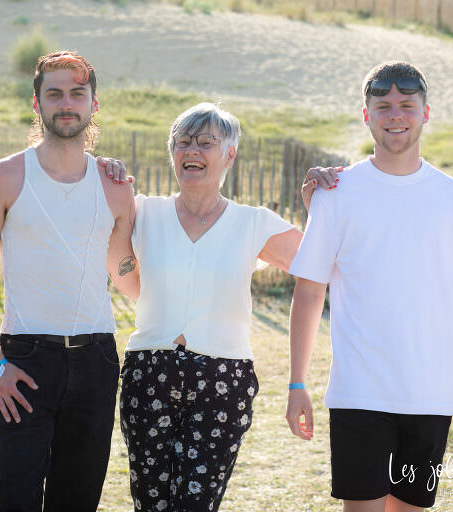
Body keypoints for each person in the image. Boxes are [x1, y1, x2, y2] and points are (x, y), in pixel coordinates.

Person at [106, 102, 339, 512]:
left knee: (196, 505)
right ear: (172, 152)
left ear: (229, 154)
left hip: (224, 377)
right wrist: (111, 195)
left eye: (206, 142)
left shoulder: (253, 223)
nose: (191, 150)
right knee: (151, 503)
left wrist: (317, 208)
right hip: (149, 373)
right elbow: (129, 284)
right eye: (183, 142)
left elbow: (323, 264)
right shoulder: (144, 211)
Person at [286, 61, 453, 511]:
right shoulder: (336, 192)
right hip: (360, 393)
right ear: (366, 115)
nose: (395, 115)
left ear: (426, 112)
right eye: (383, 106)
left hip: (431, 397)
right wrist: (297, 382)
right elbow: (308, 291)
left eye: (406, 105)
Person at [0, 50, 137, 512]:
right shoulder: (2, 177)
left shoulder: (115, 184)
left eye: (78, 94)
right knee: (17, 503)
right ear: (36, 102)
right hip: (25, 362)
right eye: (54, 93)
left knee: (77, 504)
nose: (66, 103)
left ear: (94, 104)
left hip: (98, 360)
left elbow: (123, 271)